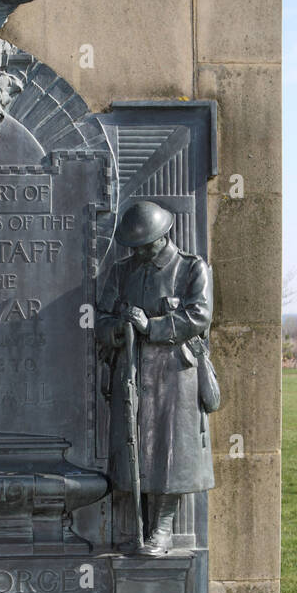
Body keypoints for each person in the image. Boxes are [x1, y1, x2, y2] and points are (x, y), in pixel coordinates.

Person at [95, 200, 215, 555]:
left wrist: (153, 326)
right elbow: (101, 319)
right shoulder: (121, 272)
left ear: (164, 236)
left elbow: (199, 316)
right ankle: (138, 526)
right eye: (136, 247)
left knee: (170, 451)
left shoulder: (191, 269)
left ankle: (162, 529)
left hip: (175, 375)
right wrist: (119, 329)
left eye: (147, 244)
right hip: (131, 371)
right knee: (136, 448)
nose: (142, 252)